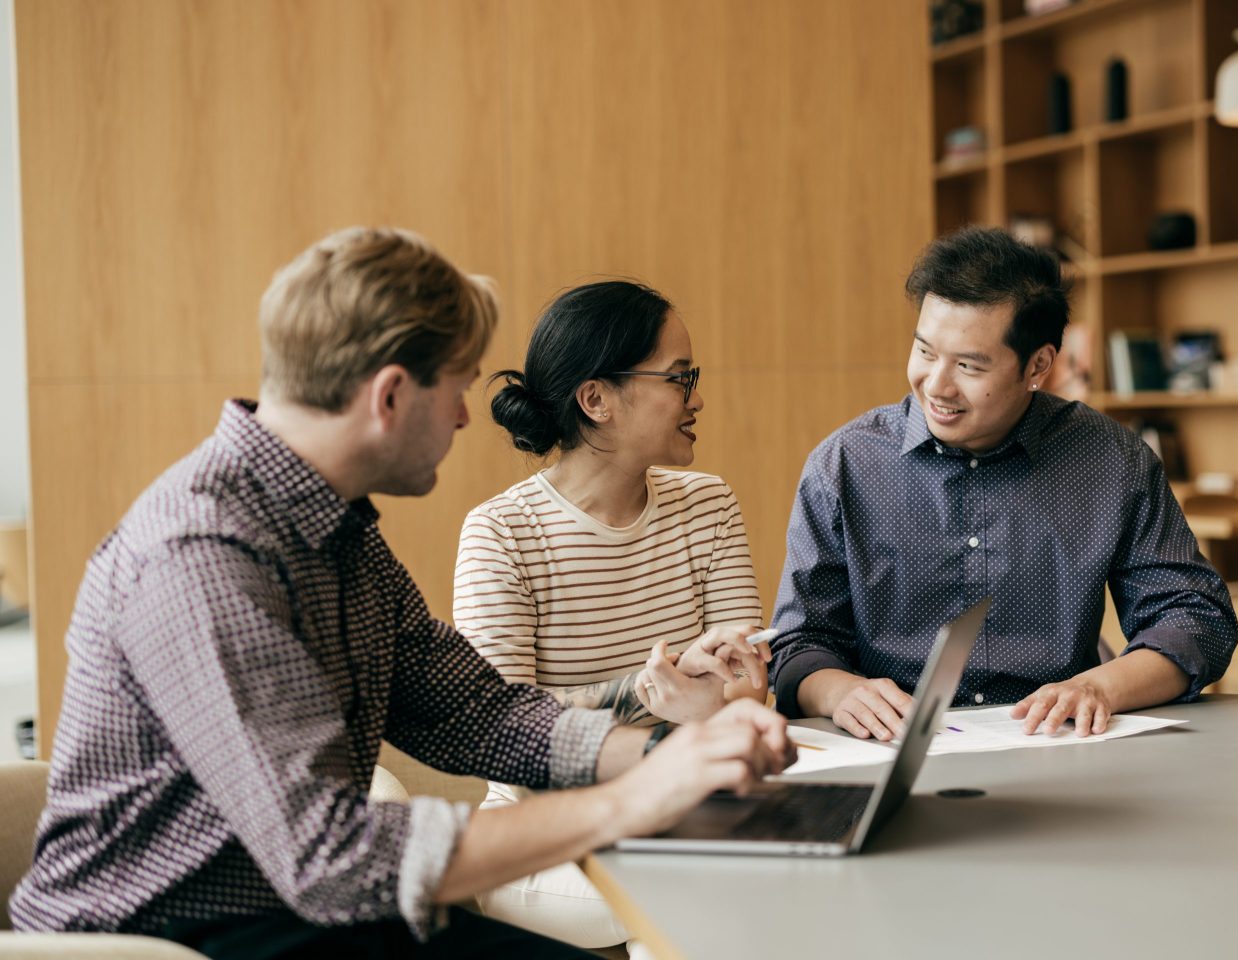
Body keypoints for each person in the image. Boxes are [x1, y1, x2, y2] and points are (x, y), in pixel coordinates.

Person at [8, 228, 793, 960]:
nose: (462, 416)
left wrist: (668, 753)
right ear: (389, 396)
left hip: (288, 913)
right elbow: (330, 856)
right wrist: (638, 798)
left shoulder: (335, 526)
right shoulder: (204, 554)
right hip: (163, 939)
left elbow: (474, 713)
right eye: (455, 388)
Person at [767, 226, 1238, 742]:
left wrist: (1101, 687)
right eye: (925, 352)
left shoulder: (1111, 461)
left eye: (968, 365)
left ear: (1037, 366)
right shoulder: (844, 465)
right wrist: (840, 693)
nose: (937, 386)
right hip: (886, 749)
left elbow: (1196, 620)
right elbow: (799, 644)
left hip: (1057, 744)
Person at [453, 279, 767, 953]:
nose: (698, 398)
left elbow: (747, 688)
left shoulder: (707, 504)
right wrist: (653, 697)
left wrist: (711, 697)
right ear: (597, 399)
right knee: (697, 900)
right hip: (547, 836)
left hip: (692, 810)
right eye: (680, 378)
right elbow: (504, 736)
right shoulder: (500, 534)